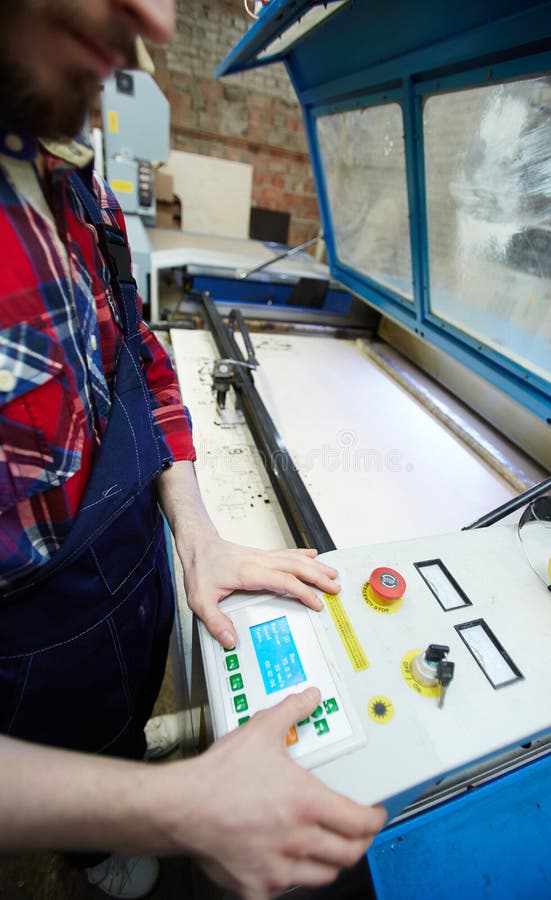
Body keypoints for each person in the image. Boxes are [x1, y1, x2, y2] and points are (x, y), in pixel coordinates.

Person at [0, 0, 385, 897]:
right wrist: (167, 810)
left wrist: (199, 537)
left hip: (137, 590)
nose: (160, 22)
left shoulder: (58, 164)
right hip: (33, 663)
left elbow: (134, 353)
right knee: (112, 853)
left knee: (122, 730)